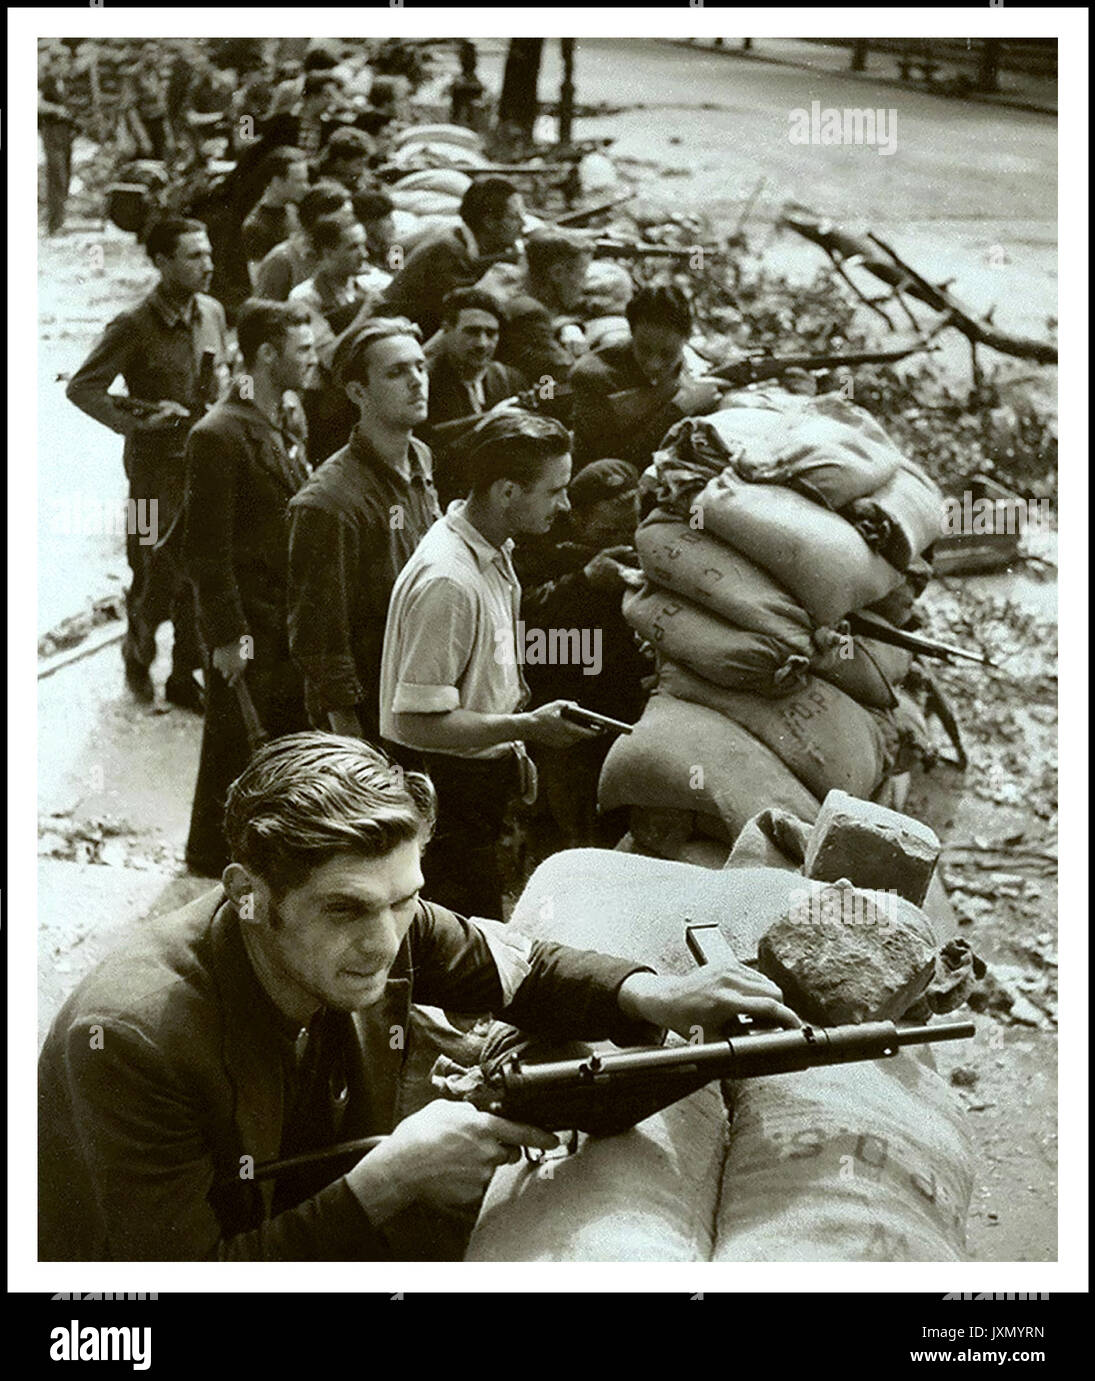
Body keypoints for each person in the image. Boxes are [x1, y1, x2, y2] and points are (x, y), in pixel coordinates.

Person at [38, 731, 799, 1260]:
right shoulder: (133, 1040)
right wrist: (391, 1179)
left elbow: (519, 968)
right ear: (247, 894)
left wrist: (653, 994)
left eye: (404, 900)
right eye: (345, 909)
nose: (384, 940)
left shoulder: (384, 915)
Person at [380, 412, 605, 919]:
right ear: (507, 492)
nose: (566, 505)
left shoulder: (491, 550)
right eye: (555, 491)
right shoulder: (450, 580)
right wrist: (528, 726)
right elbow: (415, 721)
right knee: (461, 948)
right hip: (447, 794)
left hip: (473, 787)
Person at [66, 216, 230, 708]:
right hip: (152, 474)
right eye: (193, 256)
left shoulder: (213, 312)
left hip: (204, 466)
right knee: (152, 568)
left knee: (199, 571)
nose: (207, 265)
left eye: (208, 253)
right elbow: (83, 388)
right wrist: (139, 420)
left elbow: (224, 375)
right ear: (162, 263)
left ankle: (183, 674)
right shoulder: (133, 324)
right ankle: (138, 652)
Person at [182, 301, 317, 878]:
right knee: (235, 740)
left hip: (277, 616)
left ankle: (236, 856)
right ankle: (212, 861)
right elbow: (204, 550)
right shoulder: (217, 434)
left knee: (259, 740)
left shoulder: (277, 418)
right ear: (267, 354)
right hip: (248, 622)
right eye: (303, 351)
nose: (312, 360)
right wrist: (228, 635)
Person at [288, 319, 440, 744]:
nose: (417, 383)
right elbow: (319, 642)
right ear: (357, 392)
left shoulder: (420, 458)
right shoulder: (328, 503)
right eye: (396, 372)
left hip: (424, 691)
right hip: (373, 712)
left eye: (421, 368)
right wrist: (353, 745)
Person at [518, 459, 651, 850]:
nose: (622, 542)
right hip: (568, 724)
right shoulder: (543, 556)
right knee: (567, 835)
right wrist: (585, 582)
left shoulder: (648, 557)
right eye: (609, 531)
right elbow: (522, 626)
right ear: (577, 520)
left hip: (625, 715)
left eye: (631, 530)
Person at [569, 282, 725, 472]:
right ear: (632, 332)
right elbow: (608, 463)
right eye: (644, 349)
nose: (654, 364)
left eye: (667, 353)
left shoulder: (698, 363)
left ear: (686, 339)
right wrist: (679, 408)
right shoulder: (592, 374)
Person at [380, 177, 525, 338]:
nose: (523, 223)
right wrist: (393, 270)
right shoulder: (447, 248)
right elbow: (395, 245)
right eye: (515, 217)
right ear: (489, 222)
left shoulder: (460, 241)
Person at [421, 287, 527, 506]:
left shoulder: (509, 379)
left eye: (491, 333)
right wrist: (487, 423)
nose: (482, 344)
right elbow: (424, 456)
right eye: (471, 332)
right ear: (446, 331)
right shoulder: (422, 384)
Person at [495, 227, 594, 390]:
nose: (584, 285)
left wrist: (567, 326)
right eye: (581, 275)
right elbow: (559, 373)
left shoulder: (519, 296)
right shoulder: (530, 313)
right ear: (557, 273)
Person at [252, 178, 352, 301]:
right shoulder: (282, 260)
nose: (349, 227)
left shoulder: (349, 251)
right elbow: (264, 313)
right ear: (316, 221)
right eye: (341, 222)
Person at [289, 215, 376, 341]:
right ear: (328, 253)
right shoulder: (305, 298)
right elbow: (325, 353)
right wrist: (365, 314)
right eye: (353, 248)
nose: (364, 254)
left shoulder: (370, 283)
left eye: (363, 245)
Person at [241, 146, 310, 274]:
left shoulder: (293, 210)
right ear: (276, 181)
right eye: (299, 181)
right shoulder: (255, 226)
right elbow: (258, 280)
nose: (306, 187)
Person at [38, 42, 75, 235]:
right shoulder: (46, 82)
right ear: (54, 63)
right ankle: (54, 224)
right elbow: (36, 103)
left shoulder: (63, 83)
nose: (65, 66)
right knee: (57, 176)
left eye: (66, 62)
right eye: (62, 62)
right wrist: (56, 110)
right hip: (51, 132)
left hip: (65, 134)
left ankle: (60, 219)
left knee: (66, 175)